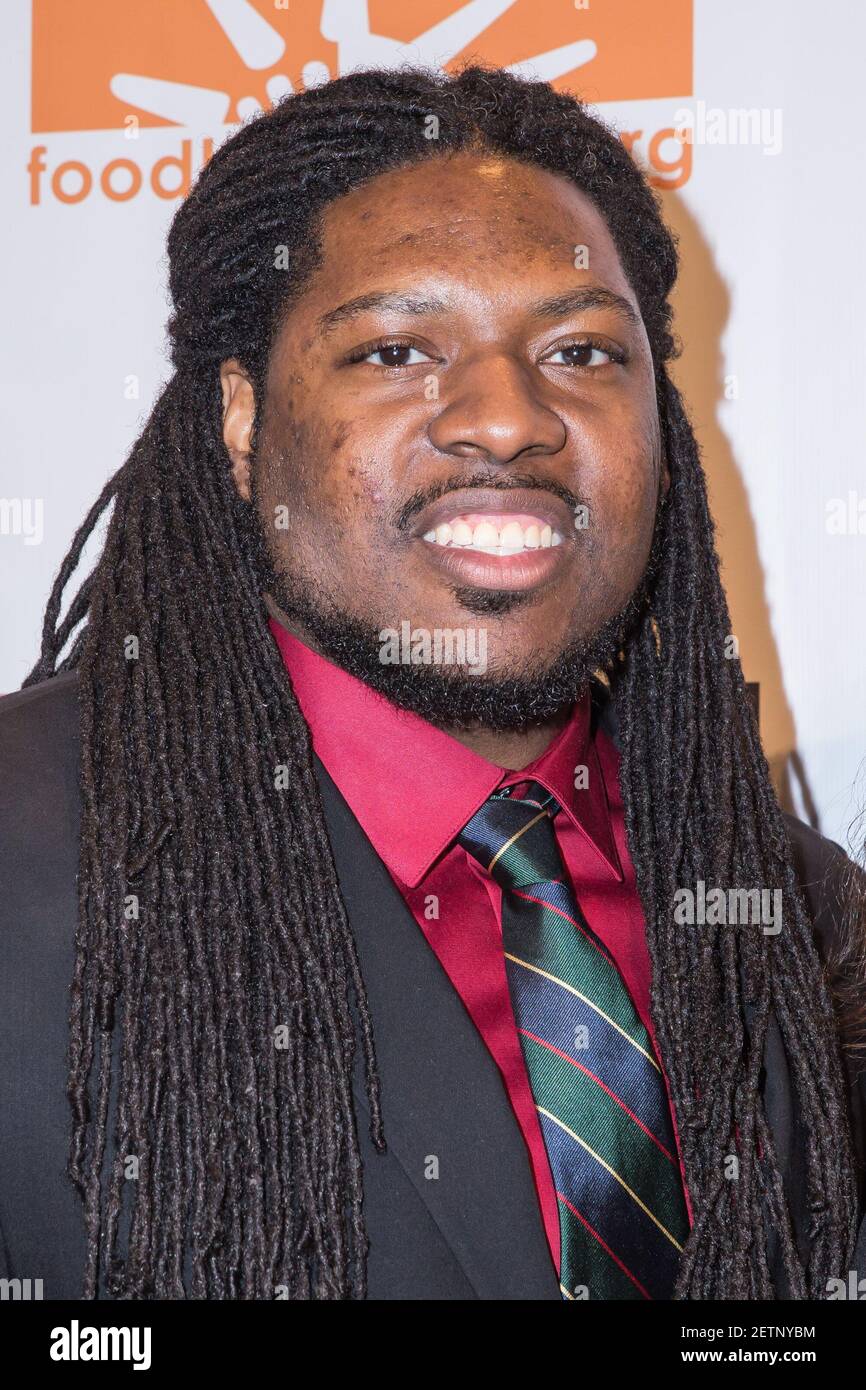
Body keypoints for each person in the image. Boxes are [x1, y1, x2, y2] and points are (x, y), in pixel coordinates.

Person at [1, 65, 864, 1302]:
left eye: (578, 349)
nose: (507, 418)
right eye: (397, 349)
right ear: (243, 424)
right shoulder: (22, 862)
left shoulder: (796, 913)